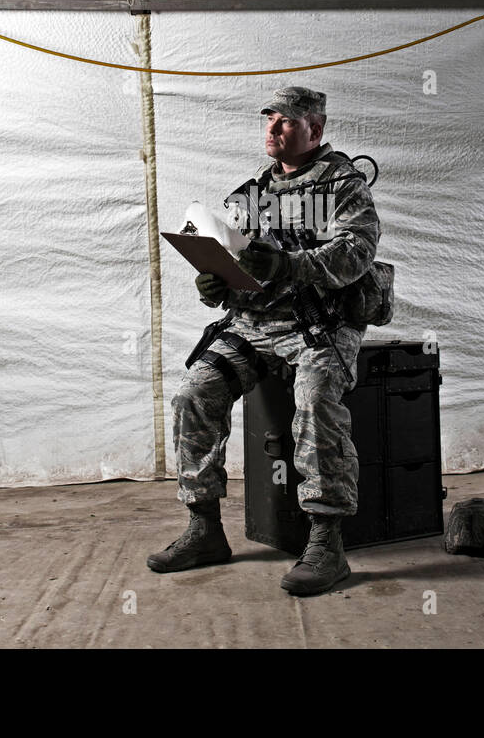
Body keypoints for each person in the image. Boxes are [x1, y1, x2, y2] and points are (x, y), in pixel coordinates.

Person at [147, 85, 382, 595]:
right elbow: (229, 255)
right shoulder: (249, 195)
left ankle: (326, 541)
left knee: (316, 400)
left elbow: (353, 257)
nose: (273, 130)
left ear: (314, 130)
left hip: (316, 326)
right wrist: (212, 281)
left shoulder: (344, 186)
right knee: (193, 394)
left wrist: (286, 264)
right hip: (252, 327)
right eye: (270, 120)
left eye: (287, 122)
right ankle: (204, 528)